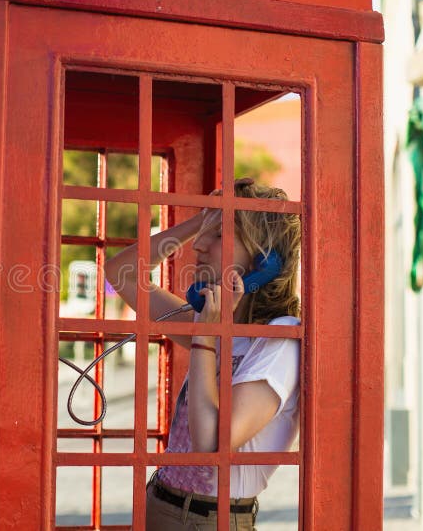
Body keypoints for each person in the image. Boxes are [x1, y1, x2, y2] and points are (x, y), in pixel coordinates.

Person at [104, 178, 301, 531]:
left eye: (220, 234)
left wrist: (205, 335)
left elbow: (212, 441)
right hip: (157, 502)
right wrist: (204, 218)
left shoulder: (278, 339)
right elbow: (122, 273)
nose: (199, 247)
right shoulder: (214, 326)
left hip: (207, 519)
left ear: (264, 261)